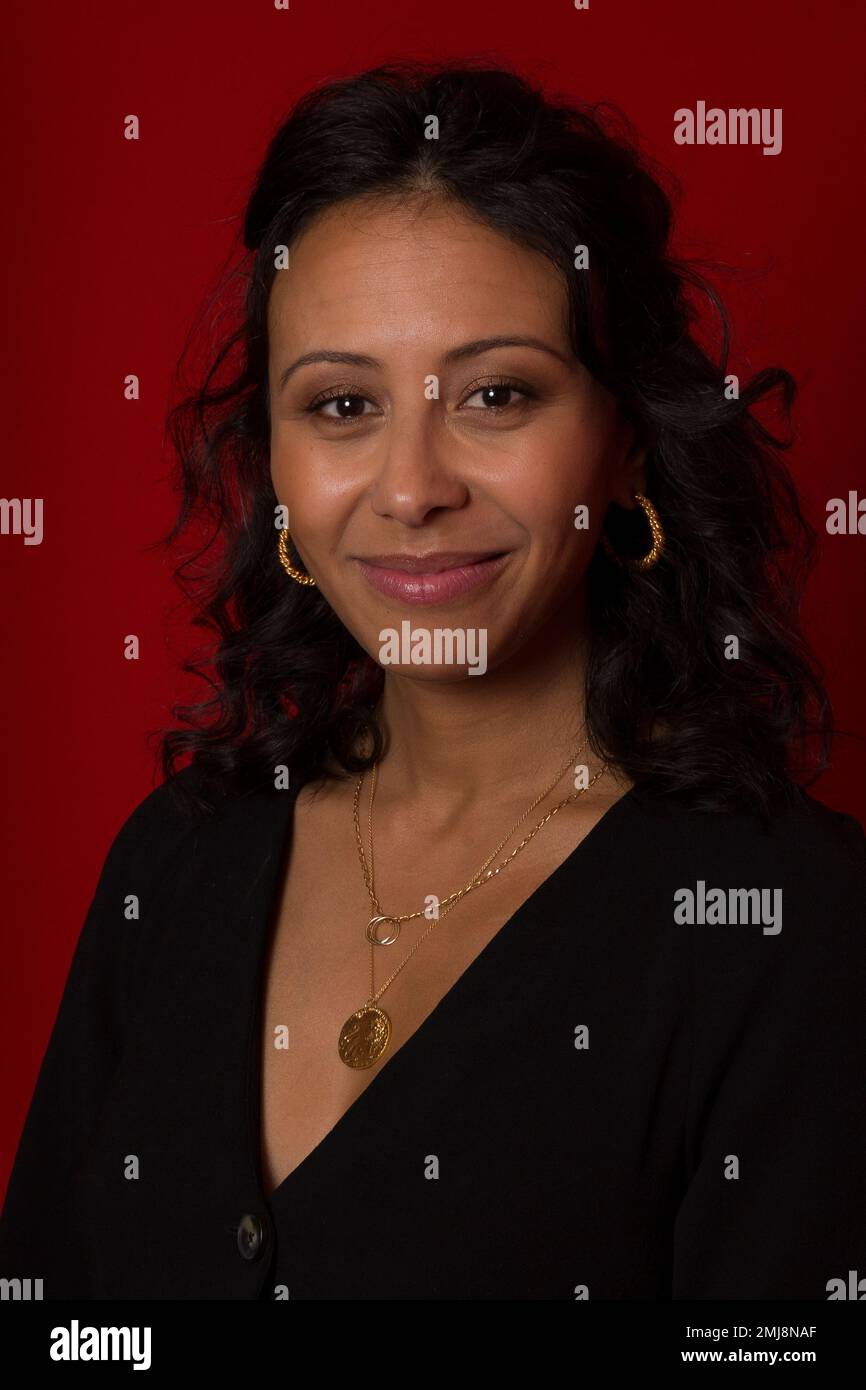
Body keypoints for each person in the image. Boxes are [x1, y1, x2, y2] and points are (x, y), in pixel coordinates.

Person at [2, 59, 864, 1301]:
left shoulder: (776, 920)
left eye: (496, 394)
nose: (411, 487)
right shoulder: (177, 860)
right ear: (275, 470)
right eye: (342, 403)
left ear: (623, 444)